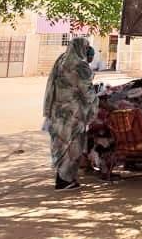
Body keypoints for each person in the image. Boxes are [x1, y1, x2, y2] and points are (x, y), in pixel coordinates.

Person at [42, 37, 99, 191]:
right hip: (73, 113)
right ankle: (65, 181)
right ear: (81, 48)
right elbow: (88, 92)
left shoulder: (61, 60)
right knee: (73, 146)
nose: (88, 51)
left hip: (57, 111)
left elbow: (51, 84)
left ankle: (62, 178)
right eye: (87, 47)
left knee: (60, 144)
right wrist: (95, 110)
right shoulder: (80, 65)